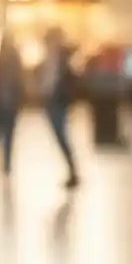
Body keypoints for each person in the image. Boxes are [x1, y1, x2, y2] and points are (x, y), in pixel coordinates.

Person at [40, 27, 81, 189]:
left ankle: (73, 172)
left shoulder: (63, 56)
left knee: (62, 137)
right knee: (60, 136)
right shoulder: (49, 57)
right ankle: (72, 171)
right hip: (49, 100)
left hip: (58, 101)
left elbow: (69, 79)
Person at [0, 35, 24, 176]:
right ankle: (6, 165)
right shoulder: (13, 55)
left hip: (0, 101)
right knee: (7, 134)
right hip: (9, 101)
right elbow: (19, 79)